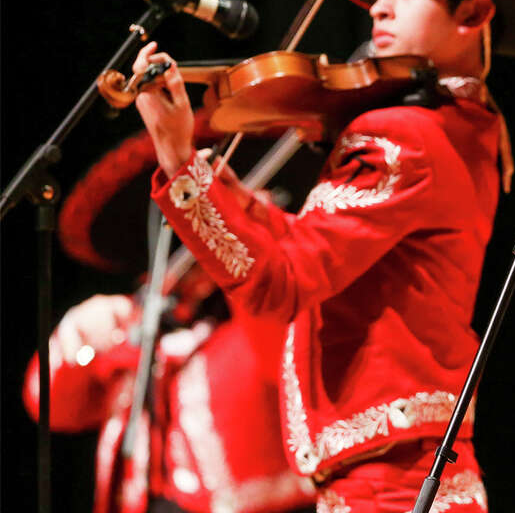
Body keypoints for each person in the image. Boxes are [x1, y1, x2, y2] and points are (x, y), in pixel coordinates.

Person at [133, 0, 515, 512]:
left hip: (392, 486)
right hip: (408, 475)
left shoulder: (403, 135)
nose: (378, 4)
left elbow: (281, 280)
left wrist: (182, 161)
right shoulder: (472, 128)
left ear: (475, 10)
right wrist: (224, 183)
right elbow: (305, 248)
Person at [24, 127, 318, 513]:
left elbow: (285, 370)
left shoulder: (260, 313)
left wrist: (243, 244)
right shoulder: (140, 326)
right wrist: (89, 333)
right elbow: (47, 403)